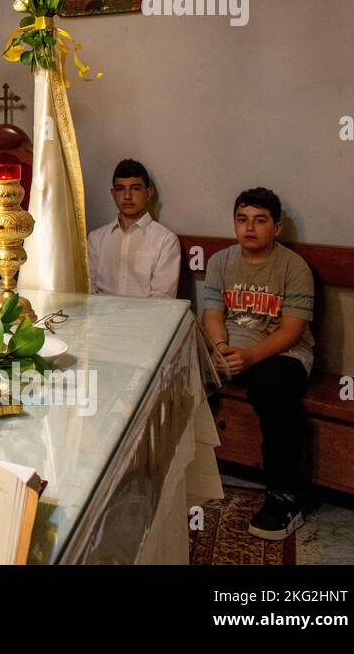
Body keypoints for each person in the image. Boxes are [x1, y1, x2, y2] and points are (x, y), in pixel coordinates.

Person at [201, 187, 315, 540]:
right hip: (230, 351)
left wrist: (250, 357)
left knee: (272, 390)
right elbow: (212, 315)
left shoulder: (293, 267)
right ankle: (183, 473)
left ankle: (285, 498)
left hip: (280, 353)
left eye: (260, 221)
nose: (249, 228)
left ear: (277, 227)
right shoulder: (220, 261)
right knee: (174, 367)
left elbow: (293, 331)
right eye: (242, 219)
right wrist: (220, 349)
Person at [87, 159, 179, 298]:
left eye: (135, 188)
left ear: (148, 193)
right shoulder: (96, 239)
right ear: (113, 194)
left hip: (147, 318)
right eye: (120, 189)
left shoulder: (165, 240)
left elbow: (162, 301)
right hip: (101, 317)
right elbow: (89, 291)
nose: (127, 196)